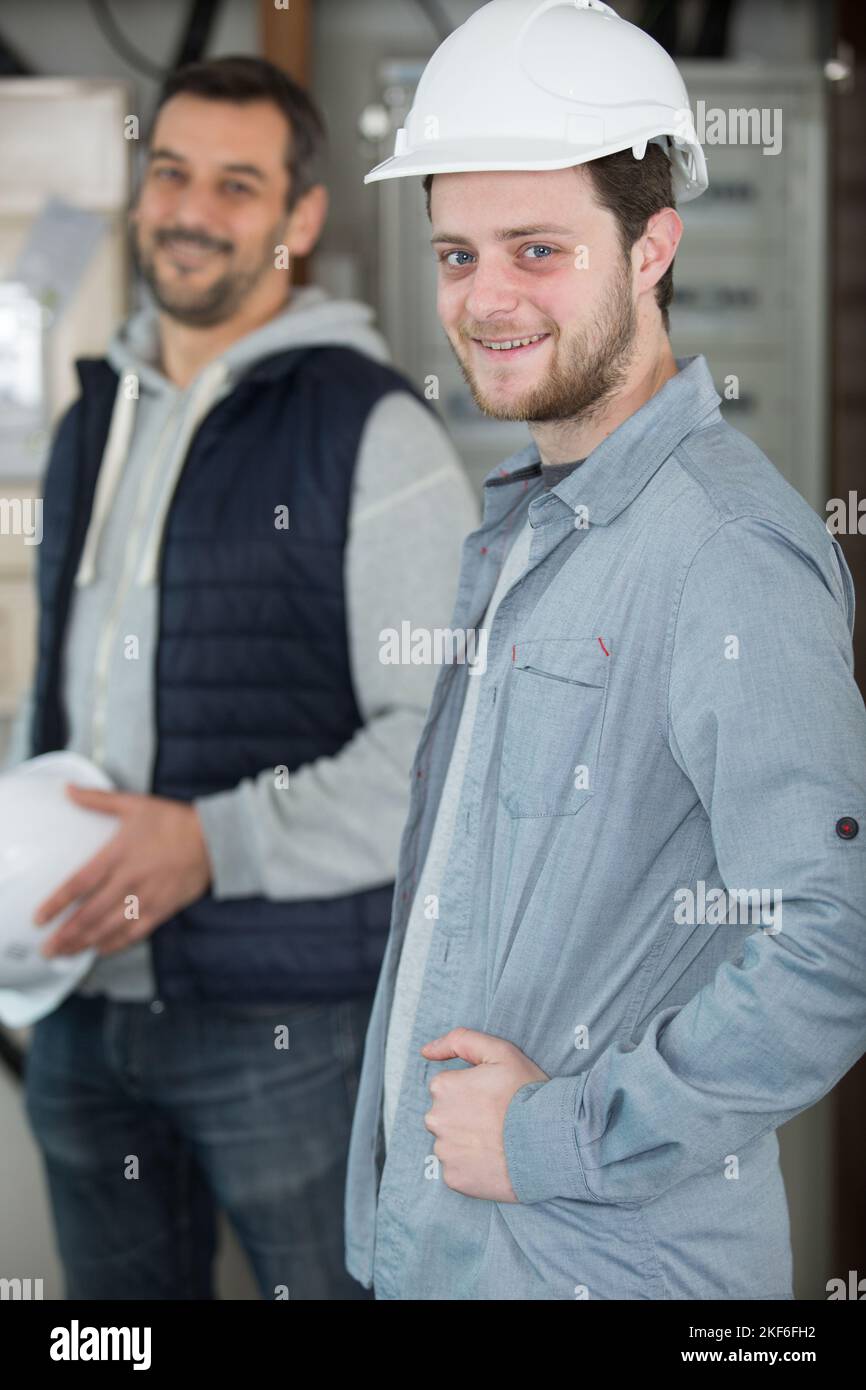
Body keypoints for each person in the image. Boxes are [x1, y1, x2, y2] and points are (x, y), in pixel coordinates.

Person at [345, 0, 866, 1299]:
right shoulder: (531, 526)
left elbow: (836, 940)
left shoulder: (722, 551)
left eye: (537, 248)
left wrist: (550, 1134)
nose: (487, 297)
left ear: (651, 247)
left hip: (600, 1261)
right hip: (456, 1248)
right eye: (457, 254)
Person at [8, 55, 477, 1300]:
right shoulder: (91, 420)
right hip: (83, 1014)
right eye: (169, 172)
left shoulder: (372, 433)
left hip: (289, 1029)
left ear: (299, 218)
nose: (190, 211)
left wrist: (211, 842)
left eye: (236, 183)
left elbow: (436, 752)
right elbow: (61, 694)